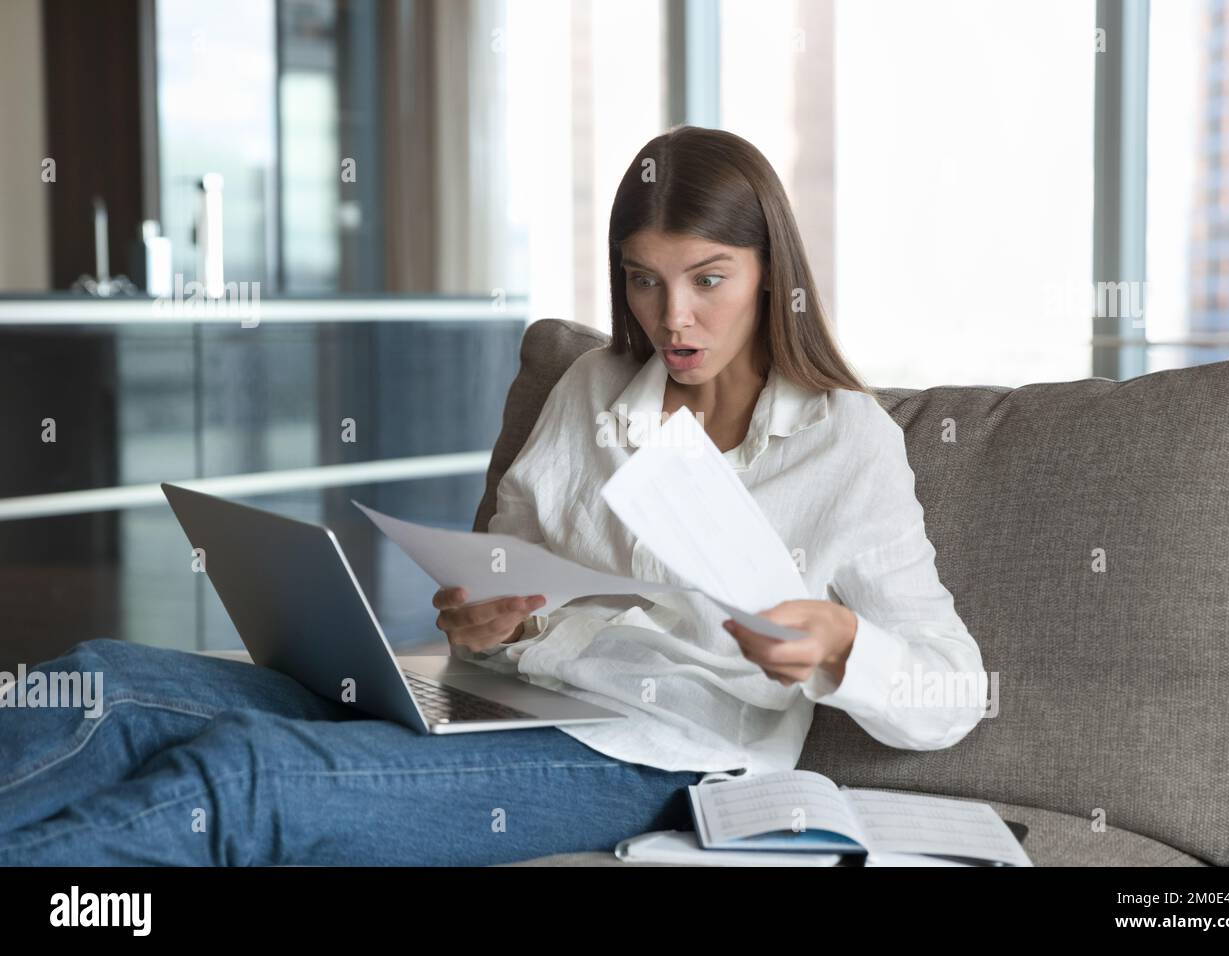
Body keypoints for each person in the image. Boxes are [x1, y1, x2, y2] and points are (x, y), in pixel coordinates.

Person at [0, 126, 983, 866]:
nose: (672, 317)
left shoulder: (845, 440)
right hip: (497, 698)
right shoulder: (595, 384)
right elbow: (504, 577)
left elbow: (953, 688)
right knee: (105, 684)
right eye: (643, 281)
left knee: (244, 774)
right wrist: (487, 622)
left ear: (774, 275)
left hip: (654, 753)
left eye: (708, 279)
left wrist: (842, 643)